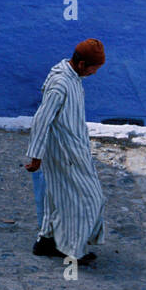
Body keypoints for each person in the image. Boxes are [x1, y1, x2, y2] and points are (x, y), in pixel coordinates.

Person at [25, 40, 106, 267]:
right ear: (81, 64)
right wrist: (36, 156)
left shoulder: (73, 78)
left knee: (57, 195)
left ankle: (46, 240)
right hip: (64, 152)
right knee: (88, 198)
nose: (95, 72)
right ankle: (73, 250)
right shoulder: (61, 84)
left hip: (74, 148)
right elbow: (42, 120)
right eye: (93, 68)